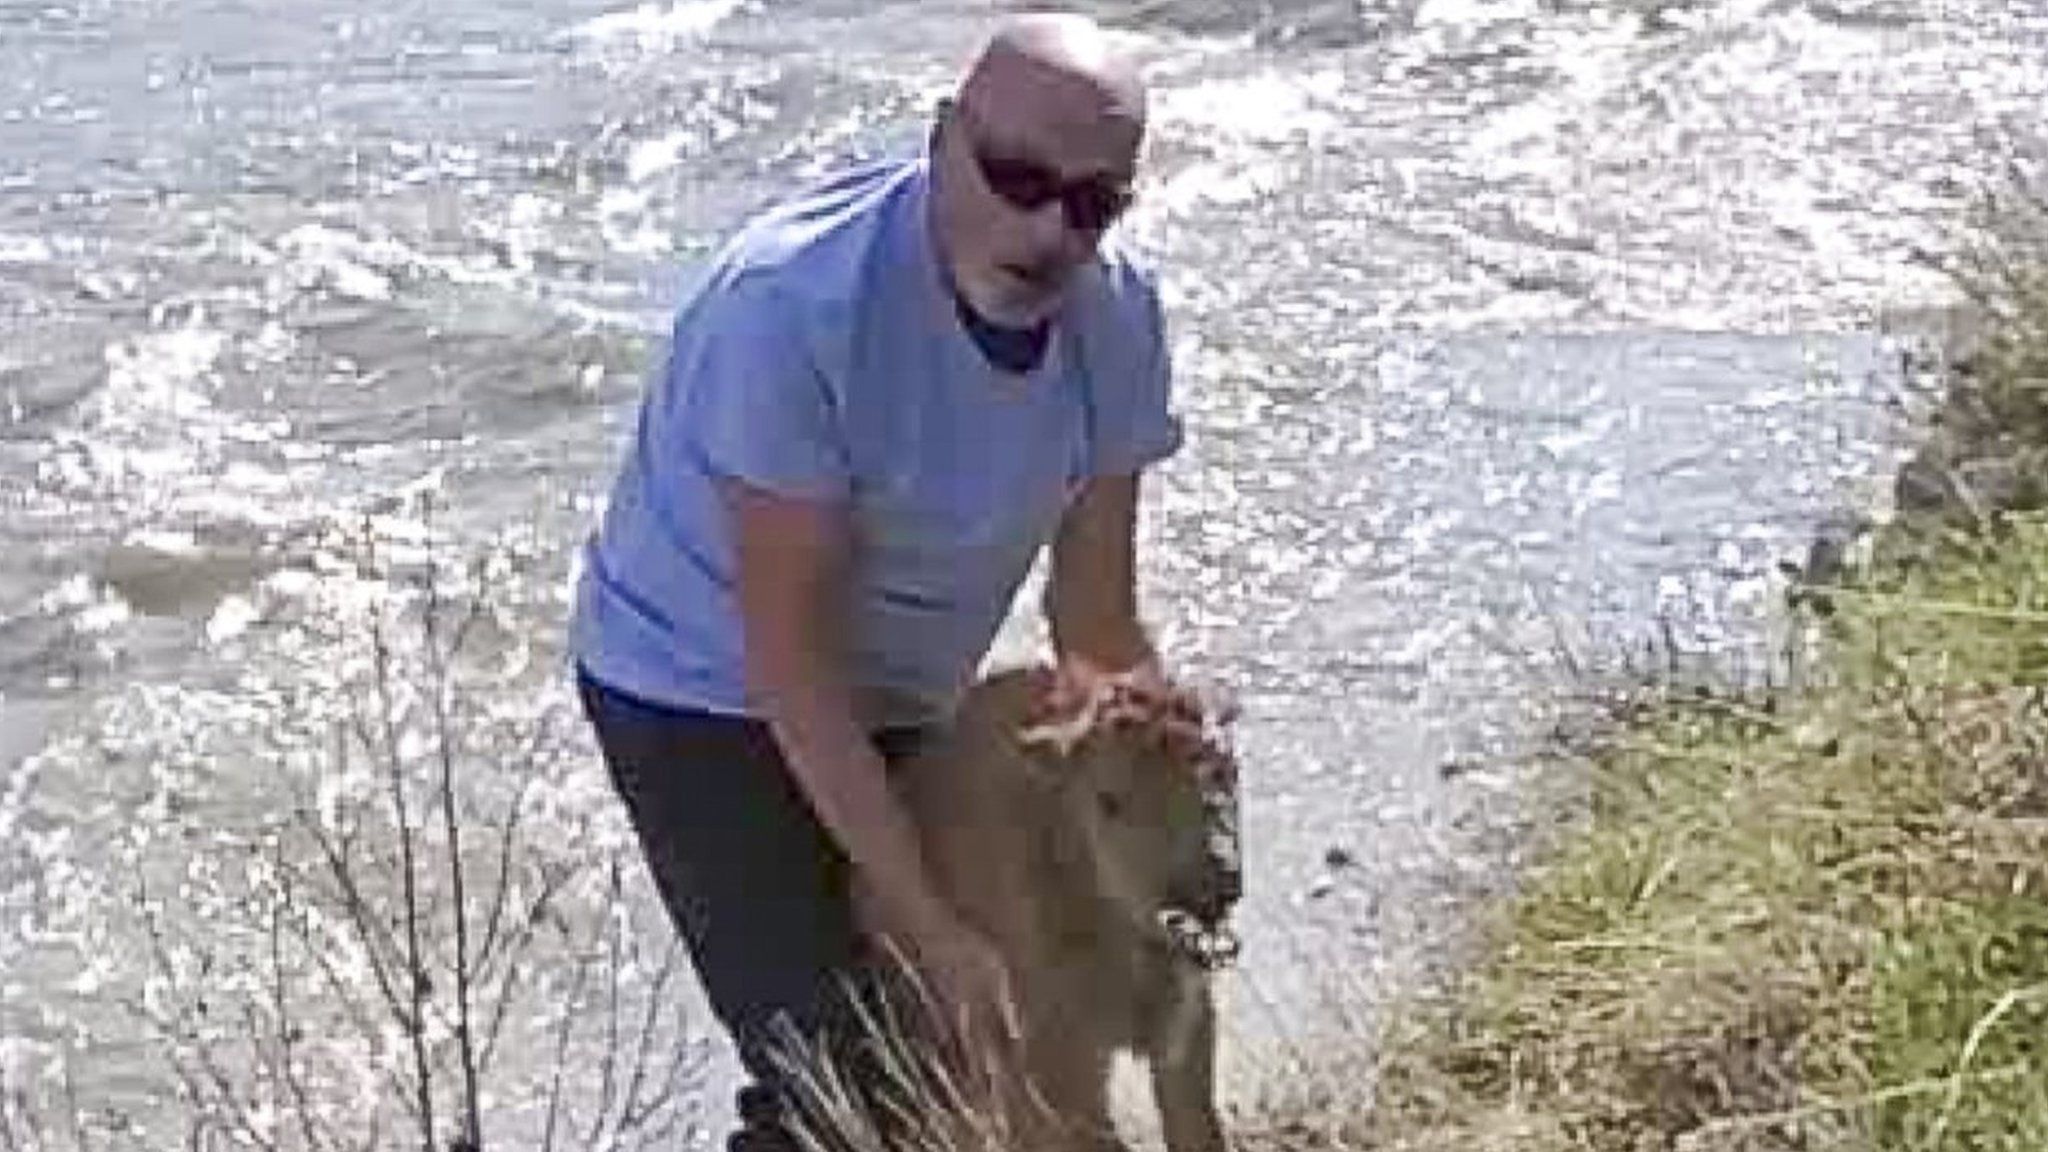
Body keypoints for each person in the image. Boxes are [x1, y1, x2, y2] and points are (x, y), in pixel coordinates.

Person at [567, 11, 1182, 1151]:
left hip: (900, 686)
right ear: (943, 138)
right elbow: (790, 670)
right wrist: (931, 925)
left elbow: (1091, 616)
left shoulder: (1117, 318)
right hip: (701, 687)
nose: (1049, 228)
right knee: (855, 1076)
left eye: (1092, 203)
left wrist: (1160, 797)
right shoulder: (794, 311)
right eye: (1016, 177)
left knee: (985, 1036)